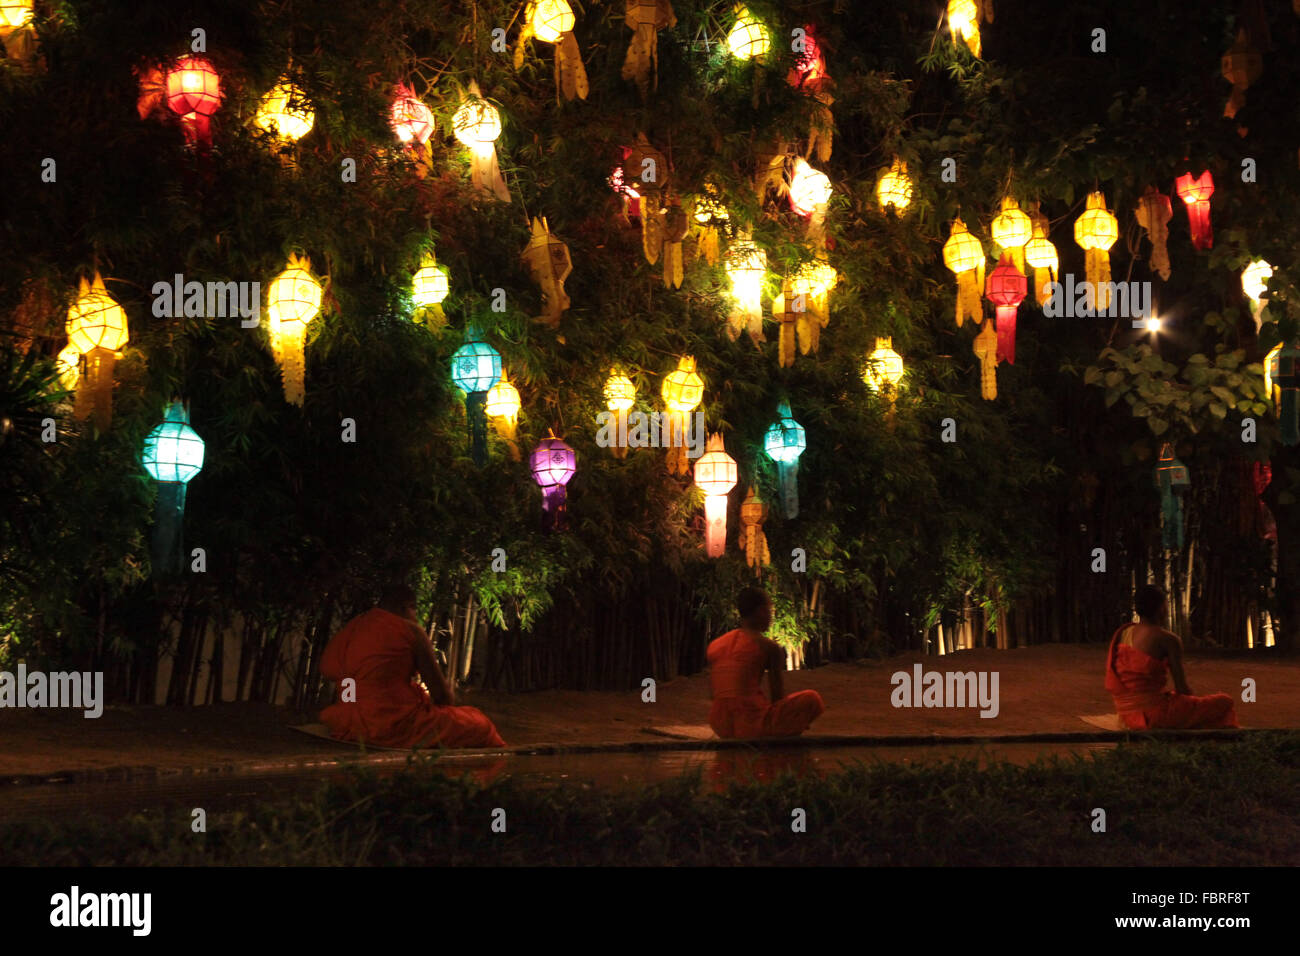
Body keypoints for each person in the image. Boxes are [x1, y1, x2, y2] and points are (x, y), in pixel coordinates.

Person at [319, 584, 506, 748]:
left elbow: (329, 669)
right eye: (415, 610)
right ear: (407, 607)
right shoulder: (409, 630)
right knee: (479, 724)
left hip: (345, 718)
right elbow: (441, 695)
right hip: (389, 722)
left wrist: (357, 699)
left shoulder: (355, 625)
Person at [1104, 585, 1239, 730]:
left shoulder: (1124, 632)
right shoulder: (1168, 639)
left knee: (1178, 701)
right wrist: (1192, 703)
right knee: (1225, 702)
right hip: (1154, 715)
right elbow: (1182, 688)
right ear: (1162, 608)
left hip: (1125, 714)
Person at [706, 587, 825, 738]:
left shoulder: (715, 645)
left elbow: (713, 693)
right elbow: (778, 698)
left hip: (720, 724)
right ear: (761, 611)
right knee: (812, 699)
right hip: (752, 725)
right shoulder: (767, 647)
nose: (771, 616)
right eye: (770, 610)